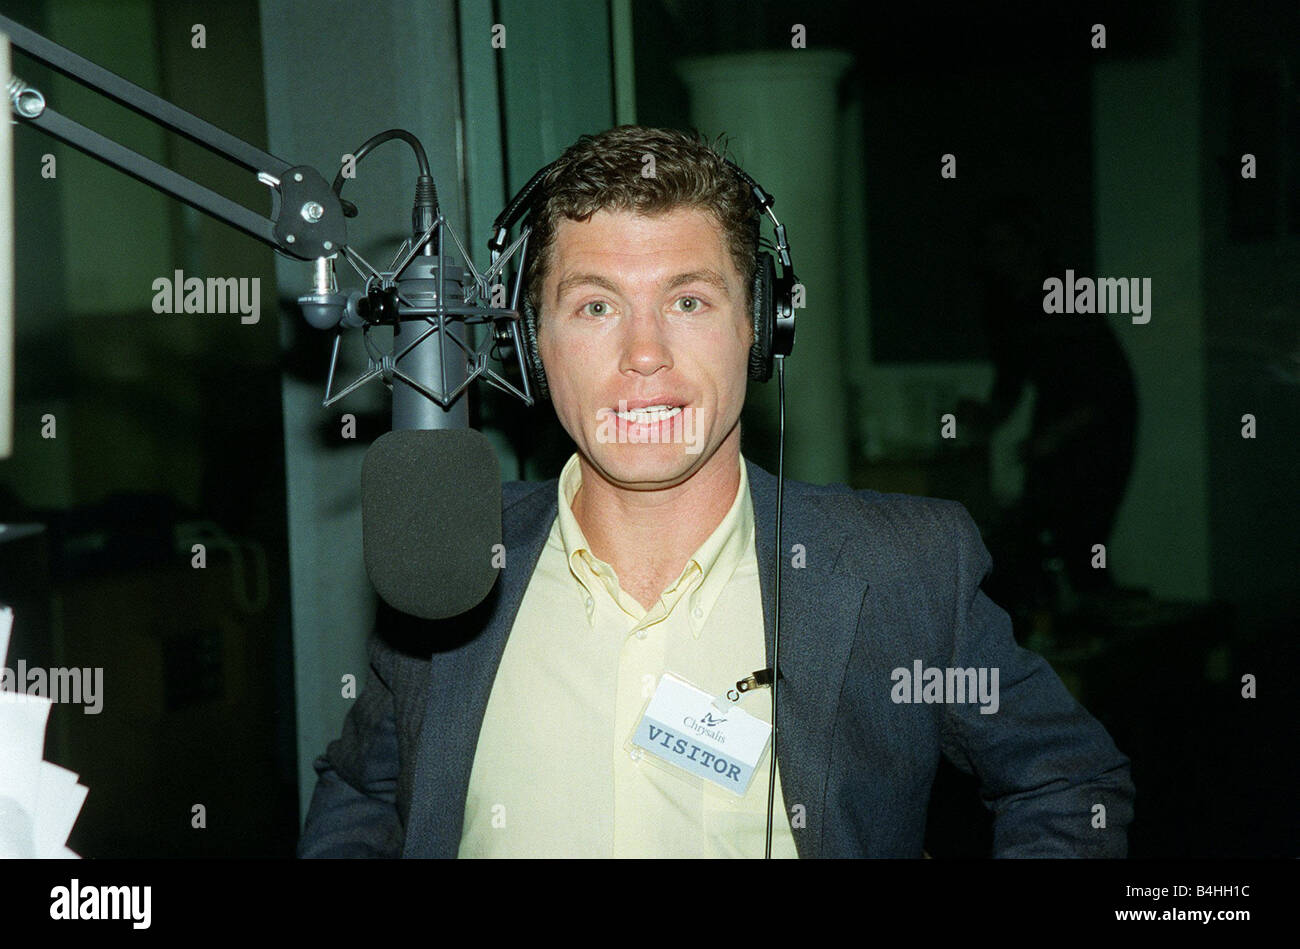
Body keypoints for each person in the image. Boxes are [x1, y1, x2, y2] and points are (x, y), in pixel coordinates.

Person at [298, 126, 1134, 858]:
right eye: (595, 306)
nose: (645, 352)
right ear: (530, 343)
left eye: (689, 300)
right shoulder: (447, 557)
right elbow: (368, 796)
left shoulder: (902, 572)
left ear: (760, 328)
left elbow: (1071, 784)